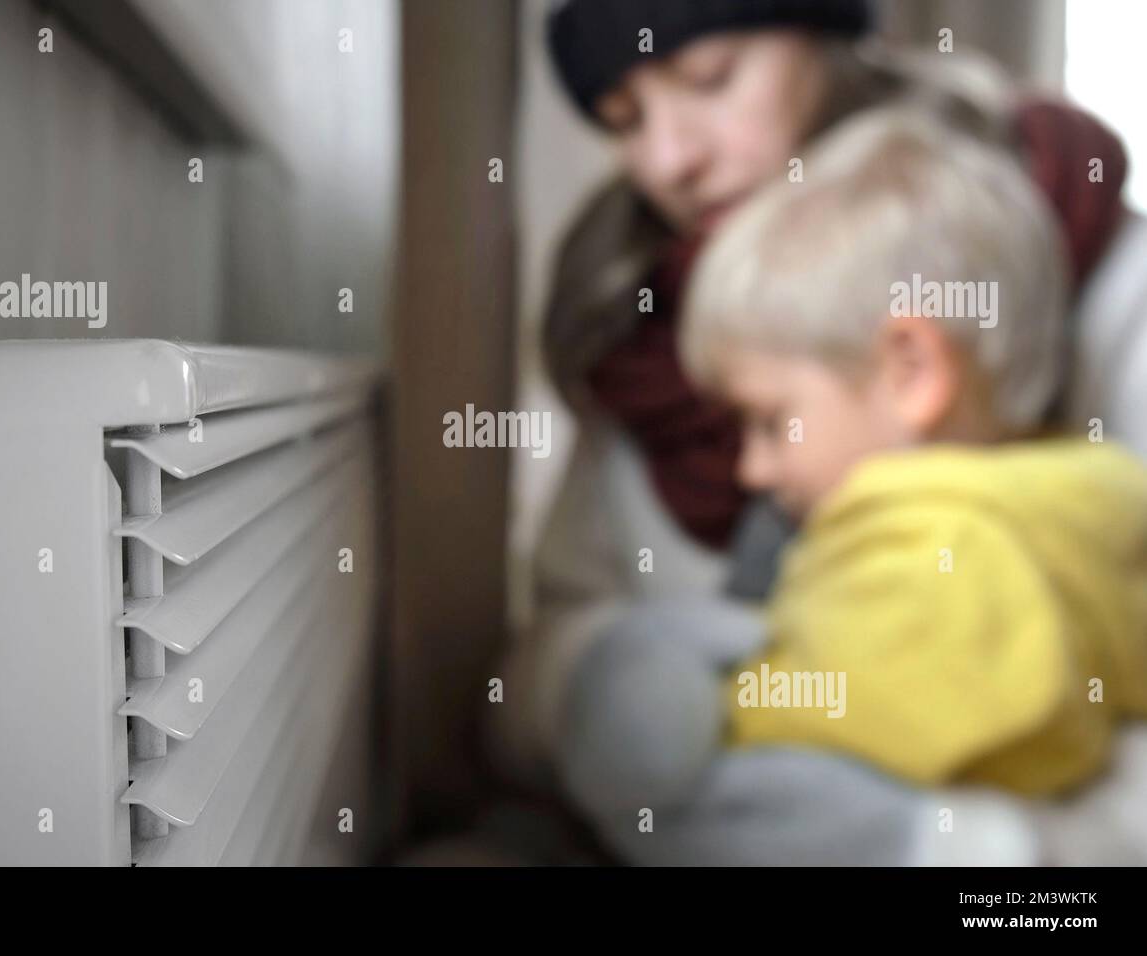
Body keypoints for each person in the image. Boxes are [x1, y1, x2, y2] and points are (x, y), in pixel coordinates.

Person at [488, 0, 1147, 865]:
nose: (669, 159)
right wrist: (611, 687)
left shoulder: (1109, 296)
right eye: (624, 120)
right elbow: (531, 672)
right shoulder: (635, 336)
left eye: (708, 79)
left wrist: (996, 858)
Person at [678, 107, 1147, 795]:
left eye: (771, 422)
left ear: (912, 372)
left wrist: (699, 707)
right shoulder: (1080, 505)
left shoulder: (926, 540)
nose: (752, 469)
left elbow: (818, 741)